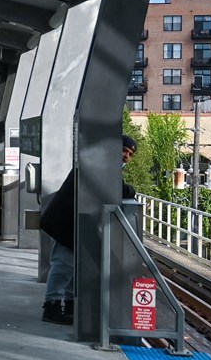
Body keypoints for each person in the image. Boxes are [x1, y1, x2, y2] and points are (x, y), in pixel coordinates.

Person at [39, 134, 138, 324]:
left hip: (74, 222)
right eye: (124, 150)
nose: (126, 156)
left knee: (73, 267)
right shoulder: (99, 164)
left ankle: (68, 304)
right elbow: (117, 189)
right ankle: (51, 306)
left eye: (129, 154)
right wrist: (131, 191)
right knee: (63, 266)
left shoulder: (99, 162)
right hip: (67, 222)